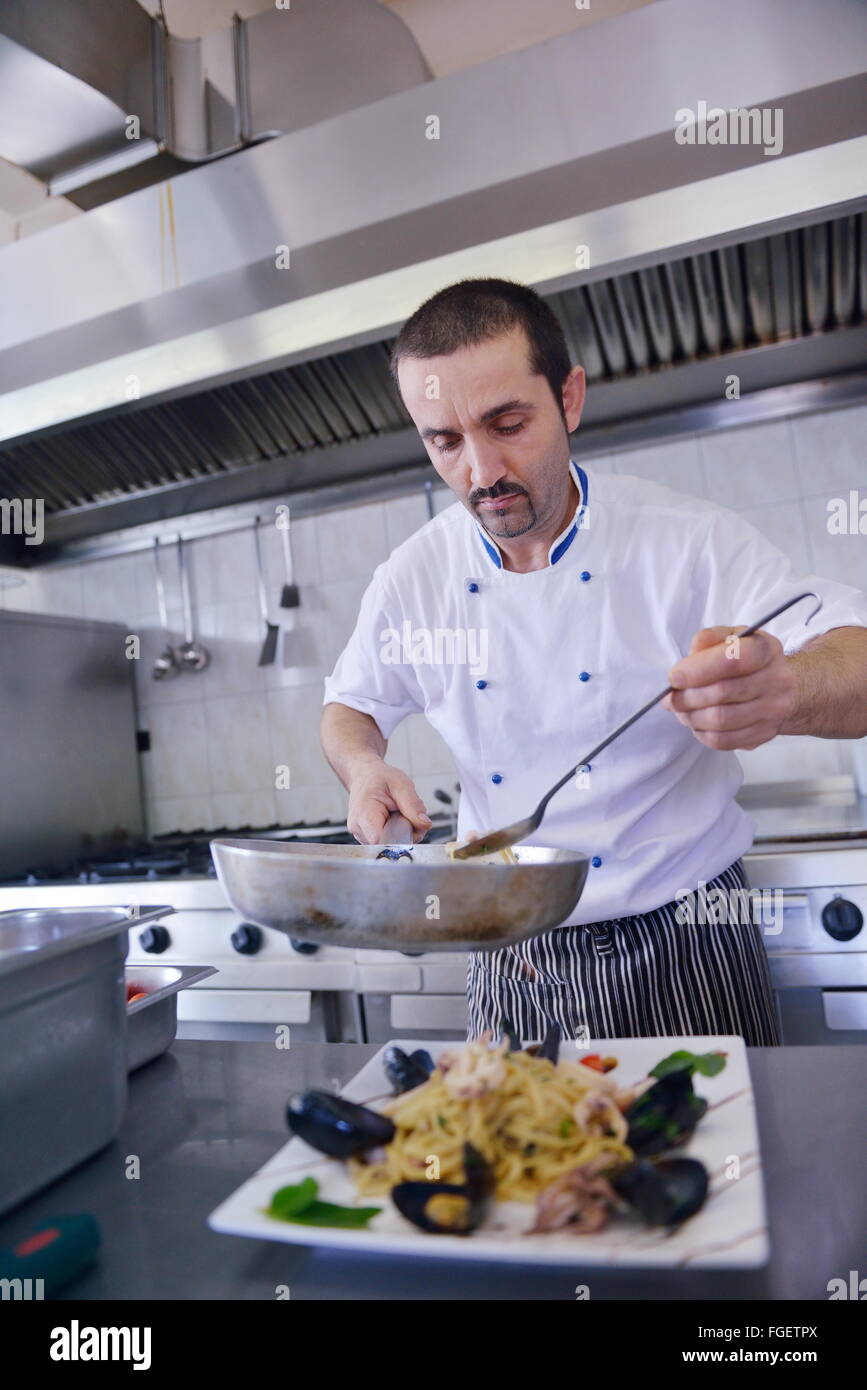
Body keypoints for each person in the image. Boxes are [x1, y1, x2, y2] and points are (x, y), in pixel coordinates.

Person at [321, 278, 867, 1045]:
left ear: (569, 399)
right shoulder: (413, 578)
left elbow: (855, 654)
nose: (480, 472)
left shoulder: (685, 541)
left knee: (707, 1161)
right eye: (444, 440)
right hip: (510, 948)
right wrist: (362, 767)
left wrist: (785, 689)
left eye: (507, 423)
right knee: (516, 1162)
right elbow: (351, 705)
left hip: (687, 939)